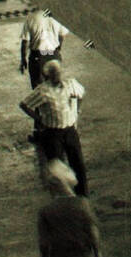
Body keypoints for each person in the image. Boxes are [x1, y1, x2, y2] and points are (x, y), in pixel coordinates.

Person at [20, 61, 89, 197]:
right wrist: (38, 118)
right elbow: (24, 104)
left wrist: (77, 111)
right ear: (48, 75)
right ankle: (63, 196)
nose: (58, 75)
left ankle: (82, 195)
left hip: (69, 130)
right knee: (57, 169)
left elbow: (81, 94)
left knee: (78, 163)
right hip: (52, 134)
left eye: (59, 72)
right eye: (54, 73)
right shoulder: (43, 91)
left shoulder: (70, 84)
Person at [37, 160, 101, 257]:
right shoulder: (83, 204)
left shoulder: (46, 212)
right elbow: (92, 230)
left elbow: (44, 243)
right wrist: (97, 254)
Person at [20, 7, 68, 88]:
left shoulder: (31, 17)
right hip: (54, 54)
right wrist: (58, 48)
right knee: (56, 87)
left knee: (39, 90)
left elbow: (25, 42)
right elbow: (62, 35)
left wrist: (23, 59)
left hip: (38, 58)